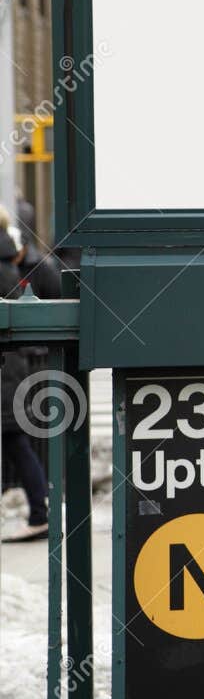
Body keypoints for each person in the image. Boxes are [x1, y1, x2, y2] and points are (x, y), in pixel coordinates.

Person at [0, 207, 60, 543]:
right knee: (15, 444)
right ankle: (39, 512)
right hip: (12, 370)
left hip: (7, 373)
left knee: (16, 444)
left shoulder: (7, 267)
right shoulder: (10, 262)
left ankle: (40, 513)